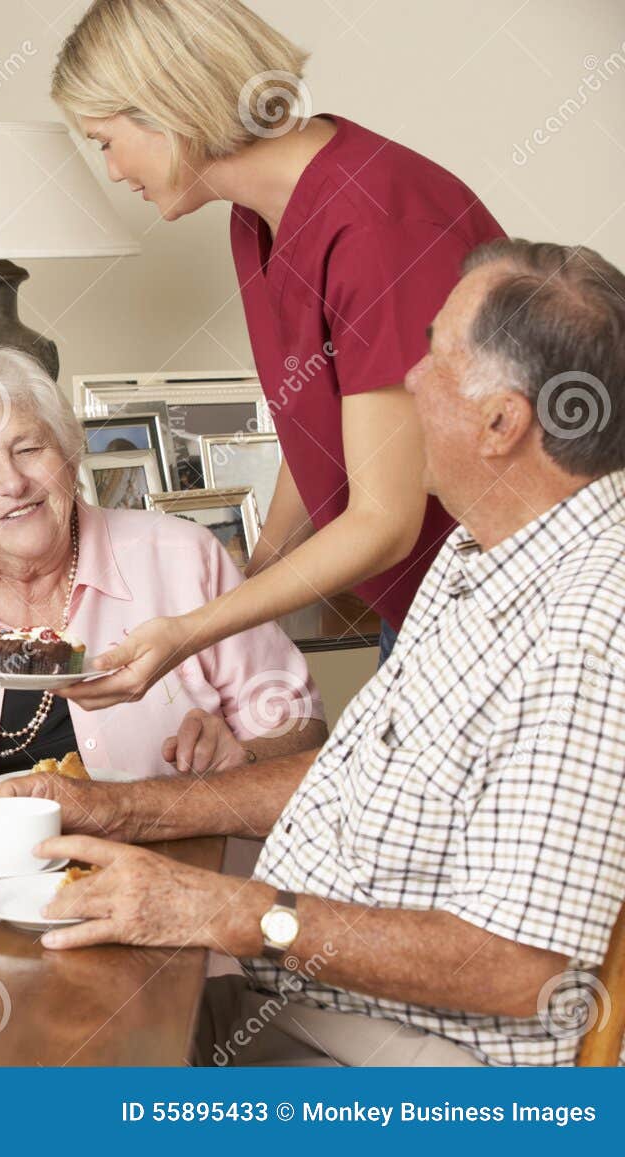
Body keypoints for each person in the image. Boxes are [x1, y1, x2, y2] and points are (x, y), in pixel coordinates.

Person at [2, 241, 625, 1066]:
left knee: (59, 1087)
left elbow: (519, 967)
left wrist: (223, 910)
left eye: (436, 355)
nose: (409, 378)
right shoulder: (486, 547)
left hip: (435, 1067)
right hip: (314, 1010)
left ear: (502, 422)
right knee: (40, 1038)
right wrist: (127, 809)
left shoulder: (594, 621)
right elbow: (361, 773)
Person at [51, 0, 506, 700]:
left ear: (166, 106)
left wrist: (195, 629)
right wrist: (259, 567)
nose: (110, 170)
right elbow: (323, 424)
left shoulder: (373, 226)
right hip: (423, 609)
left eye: (104, 140)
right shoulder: (255, 216)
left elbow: (386, 521)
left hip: (504, 613)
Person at [0, 346, 325, 781]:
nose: (12, 482)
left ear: (70, 458)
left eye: (29, 449)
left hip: (165, 860)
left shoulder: (184, 559)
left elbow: (303, 727)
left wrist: (242, 757)